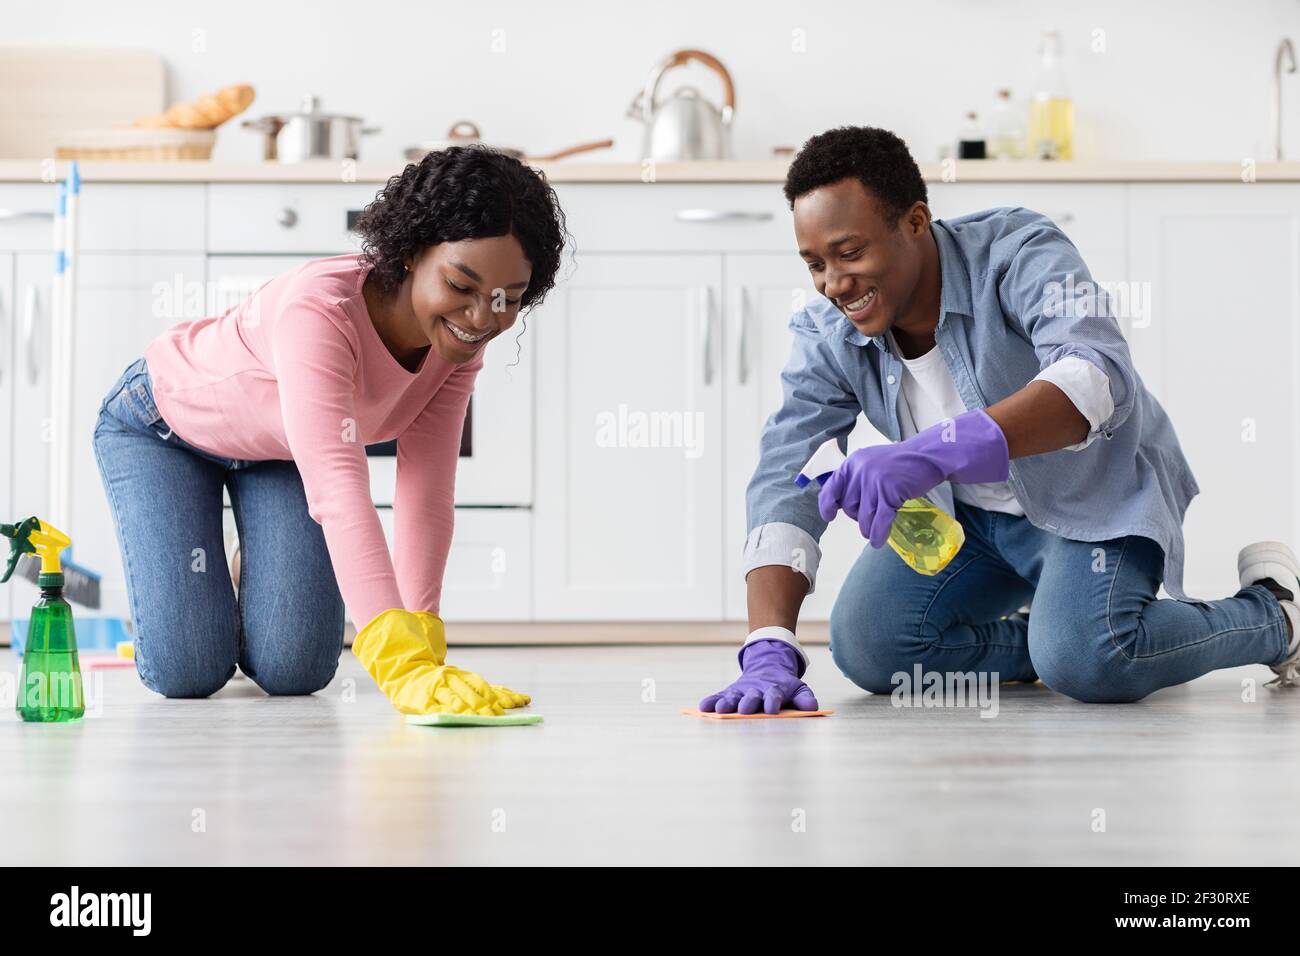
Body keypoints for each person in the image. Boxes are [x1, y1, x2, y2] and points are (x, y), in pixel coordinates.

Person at [701, 125, 1299, 712]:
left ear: (914, 221)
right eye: (815, 264)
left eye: (850, 252)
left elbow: (1095, 374)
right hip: (967, 526)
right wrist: (768, 640)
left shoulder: (1018, 249)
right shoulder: (826, 335)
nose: (834, 284)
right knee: (870, 650)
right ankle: (1053, 635)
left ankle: (1273, 615)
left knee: (1091, 661)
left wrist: (930, 453)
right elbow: (788, 468)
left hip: (1089, 504)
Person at [94, 146, 567, 714]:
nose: (480, 318)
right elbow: (341, 493)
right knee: (187, 669)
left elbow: (427, 492)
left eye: (506, 299)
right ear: (413, 253)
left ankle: (247, 570)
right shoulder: (320, 312)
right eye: (460, 286)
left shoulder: (458, 349)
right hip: (163, 425)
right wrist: (400, 667)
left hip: (280, 452)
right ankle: (179, 583)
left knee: (295, 669)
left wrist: (423, 647)